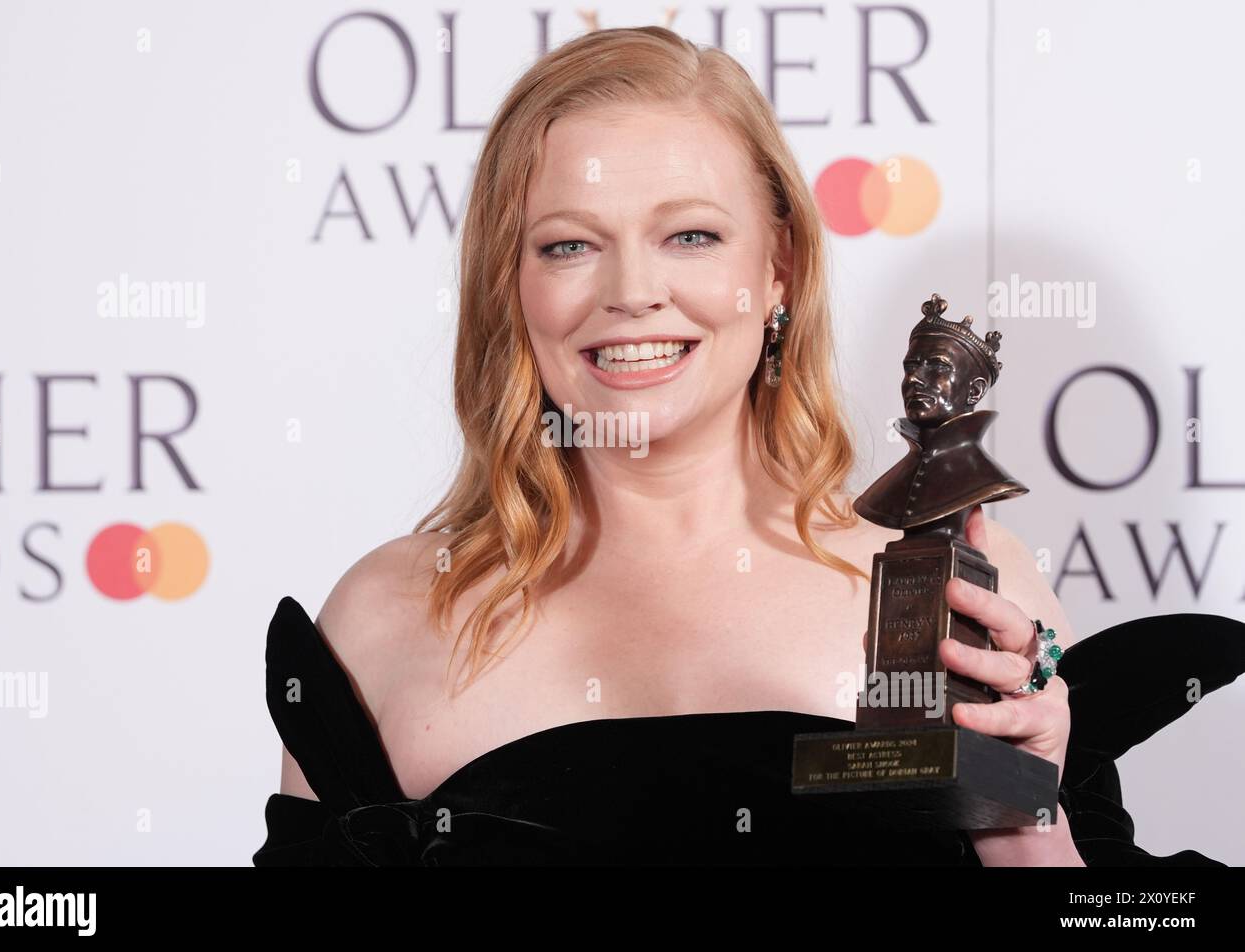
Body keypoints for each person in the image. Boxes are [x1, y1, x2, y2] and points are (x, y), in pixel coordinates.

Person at [253, 25, 1239, 866]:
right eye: (567, 243)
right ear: (509, 288)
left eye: (688, 235)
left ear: (779, 270)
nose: (630, 289)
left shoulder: (957, 591)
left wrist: (1027, 829)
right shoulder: (382, 624)